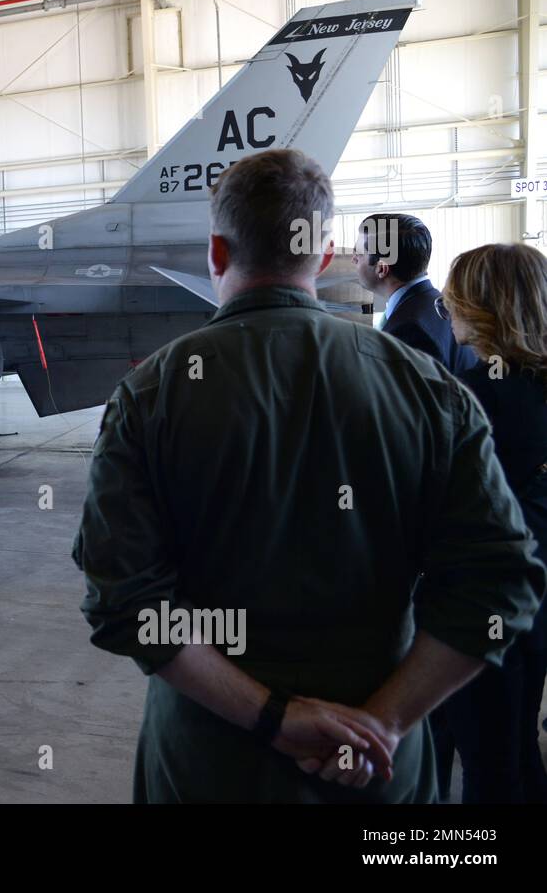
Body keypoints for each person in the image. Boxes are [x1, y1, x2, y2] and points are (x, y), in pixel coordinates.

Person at [73, 149, 547, 802]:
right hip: (376, 770)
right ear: (323, 255)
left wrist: (275, 717)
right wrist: (385, 719)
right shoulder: (428, 388)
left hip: (208, 769)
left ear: (216, 252)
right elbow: (501, 582)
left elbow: (122, 601)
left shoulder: (151, 393)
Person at [354, 213, 474, 798]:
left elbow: (413, 446)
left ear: (380, 265)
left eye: (358, 252)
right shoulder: (429, 309)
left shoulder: (410, 329)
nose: (350, 260)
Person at [440, 243, 547, 803]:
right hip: (537, 607)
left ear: (480, 307)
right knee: (518, 747)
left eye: (453, 295)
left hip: (480, 612)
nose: (444, 303)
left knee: (488, 767)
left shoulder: (466, 401)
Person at [354, 213, 477, 372]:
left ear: (382, 268)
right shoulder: (441, 305)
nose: (354, 259)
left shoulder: (409, 330)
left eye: (358, 253)